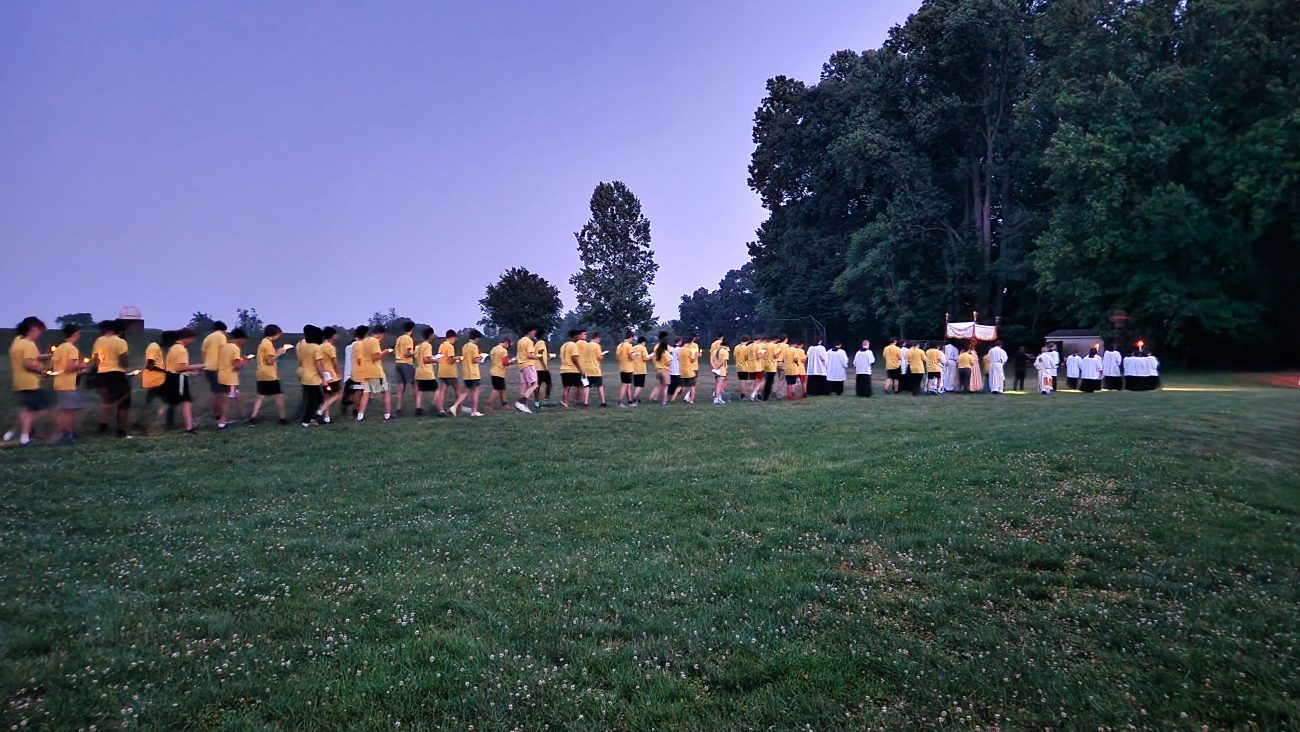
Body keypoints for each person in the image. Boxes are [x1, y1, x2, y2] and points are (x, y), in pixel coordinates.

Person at [8, 316, 53, 446]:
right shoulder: (29, 344)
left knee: (28, 409)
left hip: (19, 381)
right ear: (32, 329)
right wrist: (42, 370)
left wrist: (40, 357)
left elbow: (26, 357)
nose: (39, 335)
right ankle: (24, 436)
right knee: (36, 409)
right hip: (30, 382)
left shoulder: (17, 341)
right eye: (39, 331)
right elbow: (28, 364)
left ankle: (21, 432)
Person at [91, 319, 131, 438]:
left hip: (102, 374)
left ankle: (103, 425)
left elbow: (96, 359)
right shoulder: (121, 342)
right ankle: (121, 431)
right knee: (124, 403)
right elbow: (124, 361)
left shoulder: (98, 341)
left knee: (106, 400)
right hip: (117, 374)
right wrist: (125, 366)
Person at [50, 323, 87, 443]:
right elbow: (71, 367)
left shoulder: (60, 348)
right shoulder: (72, 349)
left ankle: (61, 432)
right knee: (69, 411)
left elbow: (53, 365)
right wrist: (81, 365)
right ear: (75, 334)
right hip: (68, 384)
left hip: (58, 382)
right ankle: (67, 434)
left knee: (63, 410)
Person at [249, 324, 290, 426]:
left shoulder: (263, 343)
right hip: (269, 375)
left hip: (261, 374)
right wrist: (279, 353)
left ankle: (253, 418)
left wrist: (277, 352)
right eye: (278, 334)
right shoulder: (267, 343)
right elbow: (270, 360)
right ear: (274, 333)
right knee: (279, 396)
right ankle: (282, 419)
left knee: (261, 396)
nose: (279, 336)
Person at [165, 327, 204, 434]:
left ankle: (170, 423)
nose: (191, 342)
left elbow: (173, 366)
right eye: (192, 340)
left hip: (171, 376)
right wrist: (198, 366)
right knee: (186, 402)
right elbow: (180, 368)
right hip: (179, 378)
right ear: (186, 338)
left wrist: (191, 372)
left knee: (175, 402)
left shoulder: (173, 347)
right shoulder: (182, 350)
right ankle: (189, 428)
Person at [355, 324, 393, 421]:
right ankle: (387, 415)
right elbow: (375, 357)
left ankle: (360, 415)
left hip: (365, 371)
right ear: (381, 333)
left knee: (366, 392)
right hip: (375, 371)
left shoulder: (364, 341)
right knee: (385, 392)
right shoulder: (375, 341)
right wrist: (385, 352)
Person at [295, 325, 328, 427]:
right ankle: (306, 421)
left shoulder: (305, 347)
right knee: (315, 400)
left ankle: (310, 418)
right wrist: (324, 378)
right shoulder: (317, 348)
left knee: (314, 398)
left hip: (305, 376)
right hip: (313, 377)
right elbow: (318, 364)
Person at [216, 328, 249, 429]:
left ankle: (244, 417)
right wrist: (244, 361)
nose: (244, 342)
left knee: (237, 396)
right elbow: (236, 366)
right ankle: (222, 422)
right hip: (230, 378)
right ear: (240, 338)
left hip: (221, 375)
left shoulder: (224, 347)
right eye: (244, 339)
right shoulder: (235, 348)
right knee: (227, 401)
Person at [142, 331, 172, 431]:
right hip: (155, 381)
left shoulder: (157, 348)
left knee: (150, 402)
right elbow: (150, 365)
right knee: (168, 402)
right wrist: (165, 371)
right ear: (168, 340)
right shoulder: (154, 347)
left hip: (156, 380)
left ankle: (143, 422)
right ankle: (165, 424)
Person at [451, 328, 485, 417]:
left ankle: (455, 406)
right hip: (473, 373)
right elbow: (475, 360)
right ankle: (474, 411)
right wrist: (481, 357)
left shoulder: (465, 346)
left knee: (465, 392)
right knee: (475, 392)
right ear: (476, 338)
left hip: (466, 373)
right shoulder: (474, 346)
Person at [201, 321, 228, 421]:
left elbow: (203, 356)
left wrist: (202, 368)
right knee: (220, 393)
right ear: (224, 329)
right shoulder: (221, 337)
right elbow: (223, 352)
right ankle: (219, 417)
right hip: (217, 368)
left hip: (207, 368)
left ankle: (217, 415)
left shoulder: (207, 338)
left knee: (216, 392)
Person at [318, 326, 343, 422]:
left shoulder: (320, 346)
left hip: (323, 375)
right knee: (338, 394)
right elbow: (335, 363)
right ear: (332, 336)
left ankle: (327, 417)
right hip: (332, 375)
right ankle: (322, 408)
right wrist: (339, 373)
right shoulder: (330, 347)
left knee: (326, 396)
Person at [392, 320, 417, 416]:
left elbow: (395, 352)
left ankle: (398, 408)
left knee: (401, 386)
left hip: (397, 363)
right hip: (406, 363)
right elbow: (407, 354)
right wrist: (416, 352)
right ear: (412, 329)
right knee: (415, 384)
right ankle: (417, 407)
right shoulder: (408, 339)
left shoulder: (399, 338)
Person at [413, 326, 439, 416]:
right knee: (436, 390)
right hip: (427, 372)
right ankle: (434, 406)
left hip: (419, 371)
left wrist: (431, 358)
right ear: (430, 335)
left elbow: (417, 357)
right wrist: (435, 360)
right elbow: (426, 360)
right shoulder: (428, 345)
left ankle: (418, 409)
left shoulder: (419, 346)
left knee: (420, 391)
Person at [436, 329, 460, 416]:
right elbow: (450, 360)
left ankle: (441, 410)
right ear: (452, 337)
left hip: (442, 370)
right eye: (455, 338)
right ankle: (457, 407)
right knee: (458, 389)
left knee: (442, 391)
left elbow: (441, 357)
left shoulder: (441, 345)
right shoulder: (450, 346)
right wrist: (457, 358)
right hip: (450, 371)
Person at [559, 329, 585, 408]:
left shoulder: (563, 345)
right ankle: (581, 401)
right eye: (579, 336)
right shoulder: (573, 345)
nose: (580, 337)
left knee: (566, 388)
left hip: (564, 369)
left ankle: (565, 403)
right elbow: (574, 358)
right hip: (572, 370)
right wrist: (580, 369)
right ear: (576, 336)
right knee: (582, 385)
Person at [515, 327, 539, 413]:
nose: (534, 334)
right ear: (529, 332)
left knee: (524, 385)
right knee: (535, 384)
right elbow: (529, 355)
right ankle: (521, 401)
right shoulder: (529, 342)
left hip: (521, 365)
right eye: (533, 332)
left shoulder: (520, 341)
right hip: (528, 364)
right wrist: (538, 356)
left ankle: (523, 407)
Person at [488, 335, 513, 412]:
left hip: (493, 370)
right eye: (508, 344)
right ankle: (489, 406)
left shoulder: (493, 349)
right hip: (499, 372)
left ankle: (505, 405)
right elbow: (505, 362)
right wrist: (511, 362)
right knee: (496, 390)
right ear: (506, 343)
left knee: (502, 389)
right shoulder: (503, 350)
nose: (508, 347)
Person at [583, 331, 608, 407]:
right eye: (599, 339)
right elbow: (599, 357)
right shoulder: (596, 346)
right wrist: (603, 354)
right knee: (599, 386)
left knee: (587, 386)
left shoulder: (586, 345)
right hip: (595, 369)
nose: (599, 340)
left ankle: (585, 402)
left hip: (586, 369)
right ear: (597, 338)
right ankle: (603, 402)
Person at [676, 334, 699, 404]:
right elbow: (694, 355)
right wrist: (698, 355)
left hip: (684, 367)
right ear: (693, 338)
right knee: (692, 384)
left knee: (686, 383)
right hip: (693, 366)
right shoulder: (695, 345)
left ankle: (686, 395)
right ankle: (689, 397)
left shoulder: (683, 347)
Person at [651, 332, 672, 406]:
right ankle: (664, 400)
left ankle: (653, 397)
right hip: (665, 370)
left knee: (659, 384)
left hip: (658, 369)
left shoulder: (657, 350)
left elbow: (653, 358)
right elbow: (668, 362)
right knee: (665, 386)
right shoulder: (666, 352)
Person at [616, 330, 636, 407]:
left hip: (622, 367)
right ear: (631, 337)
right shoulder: (629, 345)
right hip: (628, 368)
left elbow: (617, 356)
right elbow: (631, 357)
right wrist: (635, 355)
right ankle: (620, 402)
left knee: (628, 385)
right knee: (625, 385)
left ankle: (630, 402)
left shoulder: (620, 345)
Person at [629, 335, 649, 406]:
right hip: (641, 369)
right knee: (640, 386)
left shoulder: (633, 347)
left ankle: (637, 399)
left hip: (634, 369)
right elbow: (645, 358)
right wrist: (651, 356)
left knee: (636, 385)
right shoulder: (643, 348)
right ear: (643, 342)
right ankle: (634, 400)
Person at [710, 336, 730, 405]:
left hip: (715, 369)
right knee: (719, 384)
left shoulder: (715, 351)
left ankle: (719, 397)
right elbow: (723, 361)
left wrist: (714, 366)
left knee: (718, 383)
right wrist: (718, 367)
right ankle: (716, 398)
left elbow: (711, 360)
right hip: (721, 369)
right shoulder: (725, 352)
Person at [534, 333, 552, 407]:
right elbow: (540, 355)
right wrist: (544, 366)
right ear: (543, 336)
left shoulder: (536, 344)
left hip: (536, 367)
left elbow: (538, 355)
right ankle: (546, 398)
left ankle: (536, 402)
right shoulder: (541, 343)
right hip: (541, 368)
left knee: (537, 385)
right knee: (549, 383)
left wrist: (547, 359)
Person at [667, 336, 683, 402]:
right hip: (677, 369)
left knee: (671, 385)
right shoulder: (679, 349)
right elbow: (680, 358)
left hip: (671, 369)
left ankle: (668, 397)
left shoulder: (670, 348)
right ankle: (673, 398)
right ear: (679, 342)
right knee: (680, 385)